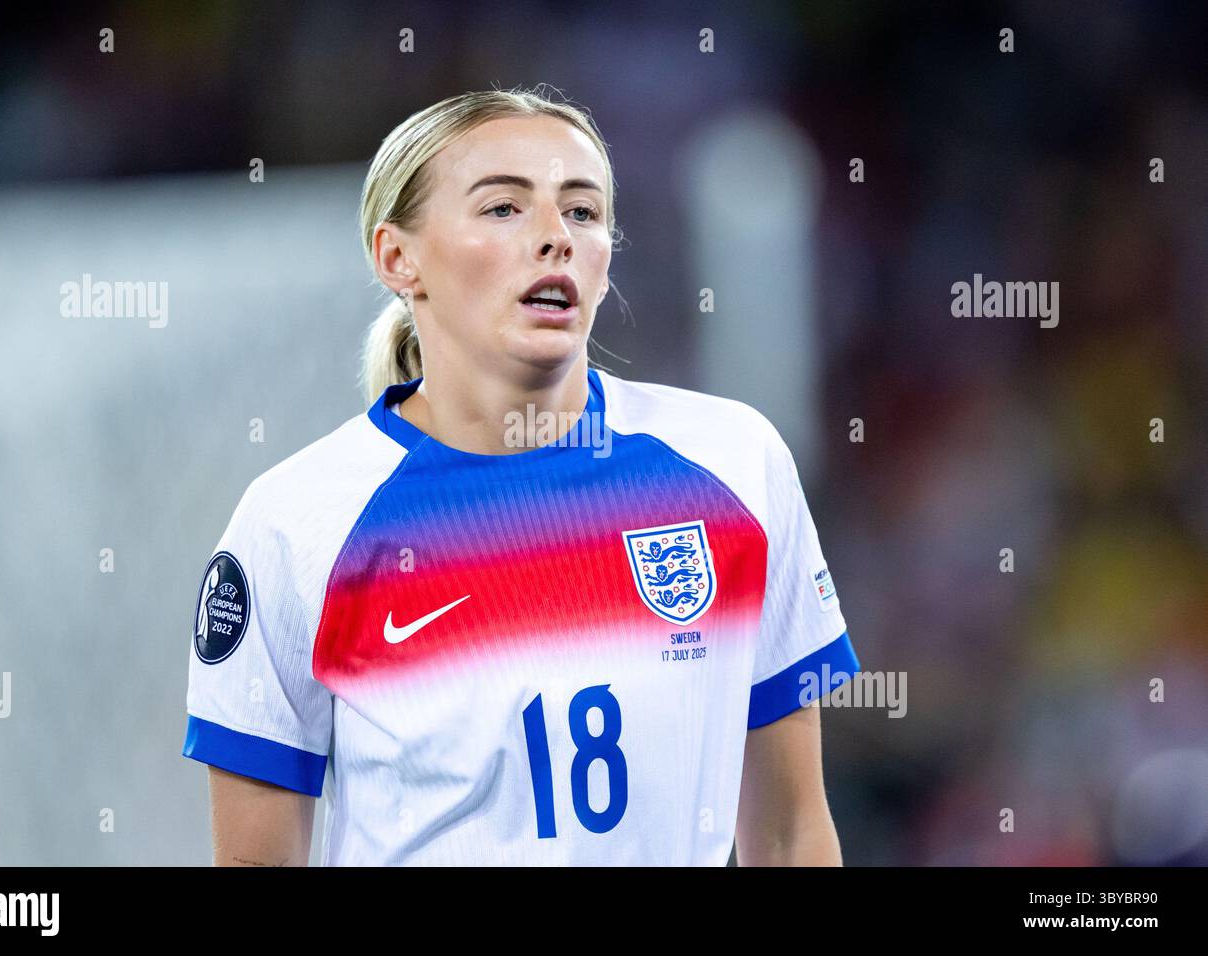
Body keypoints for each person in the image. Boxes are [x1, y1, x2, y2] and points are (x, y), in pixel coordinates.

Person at [182, 86, 861, 865]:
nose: (555, 237)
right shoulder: (295, 524)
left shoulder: (735, 462)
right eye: (504, 208)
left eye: (582, 210)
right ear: (397, 257)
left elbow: (789, 833)